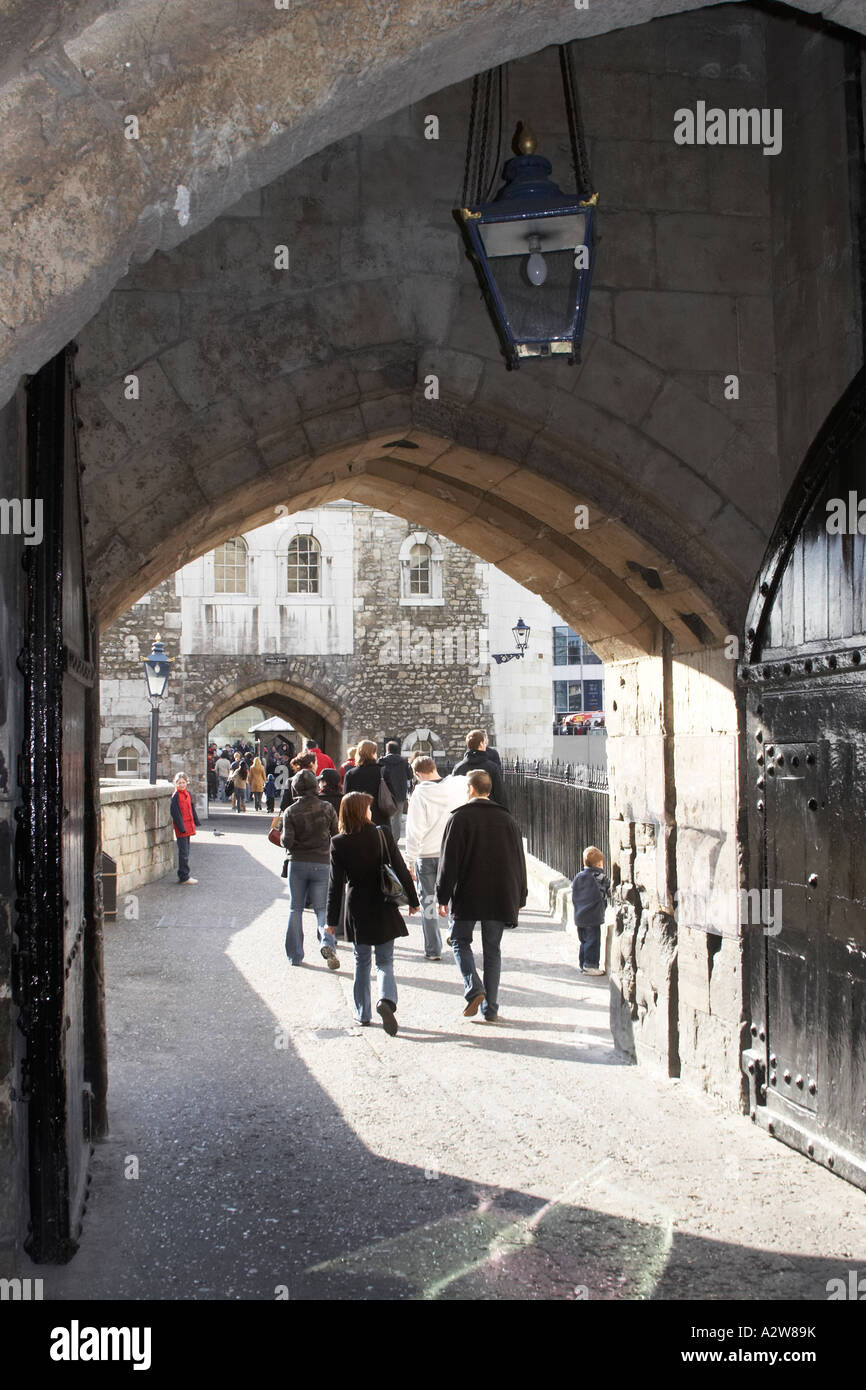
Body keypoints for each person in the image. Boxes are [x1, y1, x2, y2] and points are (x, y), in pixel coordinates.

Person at [436, 768, 527, 1022]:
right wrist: (521, 896)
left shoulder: (459, 818)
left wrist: (442, 897)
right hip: (500, 892)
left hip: (468, 891)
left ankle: (473, 986)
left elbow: (448, 863)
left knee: (459, 941)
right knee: (492, 950)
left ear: (471, 789)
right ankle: (491, 1008)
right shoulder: (507, 819)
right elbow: (519, 861)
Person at [326, 791, 419, 1033]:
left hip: (357, 905)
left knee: (361, 961)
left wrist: (330, 920)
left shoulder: (338, 842)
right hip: (384, 901)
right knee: (385, 961)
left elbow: (335, 886)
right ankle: (386, 1000)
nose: (370, 811)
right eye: (367, 808)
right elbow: (398, 866)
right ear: (360, 811)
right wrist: (413, 899)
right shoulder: (382, 834)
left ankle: (362, 1013)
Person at [405, 755, 468, 960]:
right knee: (454, 897)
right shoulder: (457, 784)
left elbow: (414, 829)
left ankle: (433, 949)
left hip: (427, 853)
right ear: (434, 767)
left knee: (429, 902)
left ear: (418, 774)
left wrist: (410, 861)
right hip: (452, 851)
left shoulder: (420, 794)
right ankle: (454, 933)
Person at [281, 768, 339, 968]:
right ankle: (327, 942)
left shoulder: (291, 811)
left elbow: (287, 841)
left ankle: (295, 955)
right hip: (322, 862)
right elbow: (336, 833)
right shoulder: (327, 808)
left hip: (297, 862)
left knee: (295, 909)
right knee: (322, 909)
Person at [571, 846, 610, 976]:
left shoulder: (578, 877)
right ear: (599, 863)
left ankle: (583, 964)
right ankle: (590, 965)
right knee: (593, 941)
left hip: (580, 916)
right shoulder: (599, 876)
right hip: (593, 916)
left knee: (584, 942)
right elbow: (609, 889)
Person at [451, 729, 506, 806]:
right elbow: (499, 794)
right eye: (484, 742)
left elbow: (453, 793)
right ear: (481, 744)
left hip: (465, 811)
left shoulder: (459, 768)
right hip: (489, 810)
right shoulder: (492, 767)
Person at [343, 739, 391, 825]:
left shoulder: (350, 774)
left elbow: (346, 798)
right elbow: (391, 792)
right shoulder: (383, 772)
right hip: (380, 817)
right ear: (373, 754)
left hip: (357, 818)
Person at [170, 772, 200, 884]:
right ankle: (183, 876)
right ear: (175, 783)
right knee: (183, 852)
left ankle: (184, 874)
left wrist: (196, 821)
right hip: (182, 827)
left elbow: (191, 808)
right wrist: (181, 827)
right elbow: (175, 813)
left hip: (188, 825)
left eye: (183, 782)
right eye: (179, 783)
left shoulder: (187, 794)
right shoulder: (176, 796)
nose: (181, 785)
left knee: (186, 851)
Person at [378, 739, 411, 841]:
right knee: (397, 818)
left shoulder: (382, 761)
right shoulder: (404, 762)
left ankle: (385, 839)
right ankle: (394, 840)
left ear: (387, 750)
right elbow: (410, 776)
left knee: (385, 818)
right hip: (400, 794)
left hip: (385, 794)